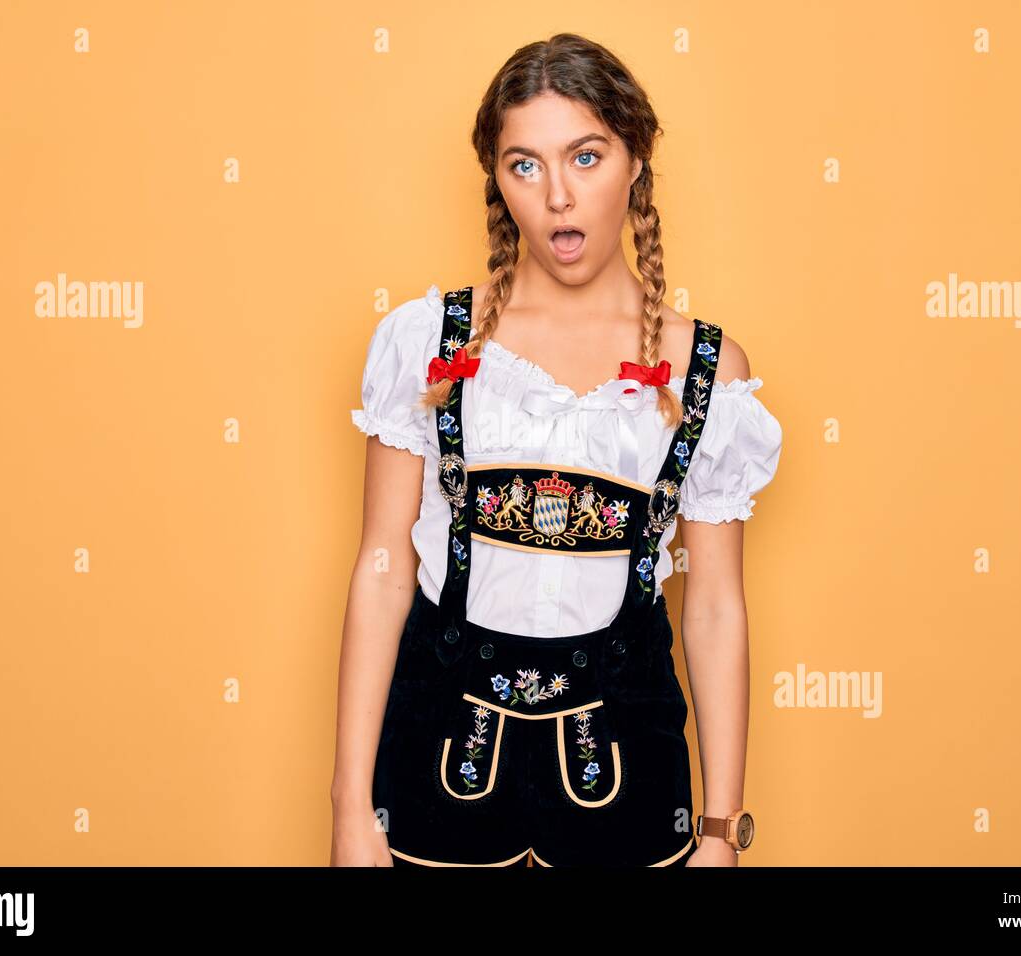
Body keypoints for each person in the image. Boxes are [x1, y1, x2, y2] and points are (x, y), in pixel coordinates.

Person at [330, 33, 783, 867]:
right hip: (436, 770)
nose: (560, 197)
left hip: (631, 778)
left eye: (585, 156)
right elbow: (384, 566)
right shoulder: (430, 342)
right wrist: (351, 813)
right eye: (525, 165)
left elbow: (715, 606)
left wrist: (722, 831)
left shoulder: (704, 368)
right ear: (499, 182)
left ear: (636, 160)